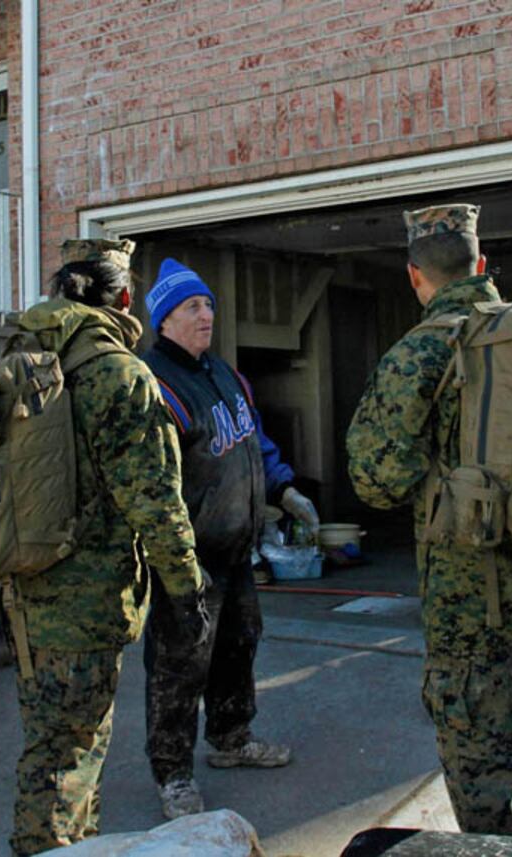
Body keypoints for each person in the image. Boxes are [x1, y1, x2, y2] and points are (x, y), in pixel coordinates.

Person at [345, 206, 512, 848]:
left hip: (473, 602)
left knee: (482, 764)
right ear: (484, 266)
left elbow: (376, 480)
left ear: (416, 276)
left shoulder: (419, 351)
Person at [9, 239, 208, 856]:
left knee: (49, 741)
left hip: (21, 586)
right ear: (123, 299)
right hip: (87, 602)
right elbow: (156, 501)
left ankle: (65, 843)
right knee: (72, 754)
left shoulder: (22, 359)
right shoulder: (117, 375)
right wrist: (188, 587)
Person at [140, 257, 320, 819]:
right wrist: (173, 560)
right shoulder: (154, 384)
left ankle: (231, 738)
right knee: (178, 667)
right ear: (164, 319)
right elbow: (150, 482)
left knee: (238, 646)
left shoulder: (225, 374)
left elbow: (253, 441)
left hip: (238, 550)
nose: (206, 315)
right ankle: (172, 774)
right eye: (193, 306)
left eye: (209, 305)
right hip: (187, 561)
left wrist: (285, 488)